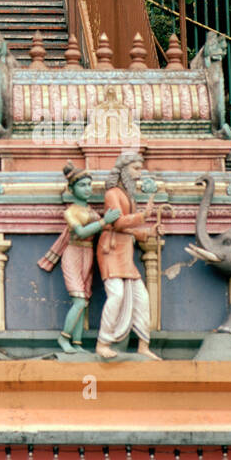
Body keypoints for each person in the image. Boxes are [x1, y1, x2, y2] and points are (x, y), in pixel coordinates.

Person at [38, 162, 119, 353]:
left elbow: (102, 228)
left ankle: (77, 343)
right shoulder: (71, 211)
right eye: (82, 185)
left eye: (89, 185)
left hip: (88, 254)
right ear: (71, 189)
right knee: (79, 300)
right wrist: (104, 221)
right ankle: (63, 338)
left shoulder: (91, 211)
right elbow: (81, 232)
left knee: (84, 300)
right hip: (73, 253)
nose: (87, 189)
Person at [95, 150, 161, 361]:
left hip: (125, 252)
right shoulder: (112, 194)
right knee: (116, 296)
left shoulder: (128, 197)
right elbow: (118, 222)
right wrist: (144, 216)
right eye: (135, 169)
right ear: (123, 169)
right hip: (111, 251)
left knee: (142, 299)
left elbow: (127, 229)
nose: (138, 174)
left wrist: (147, 232)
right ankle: (102, 343)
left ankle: (143, 345)